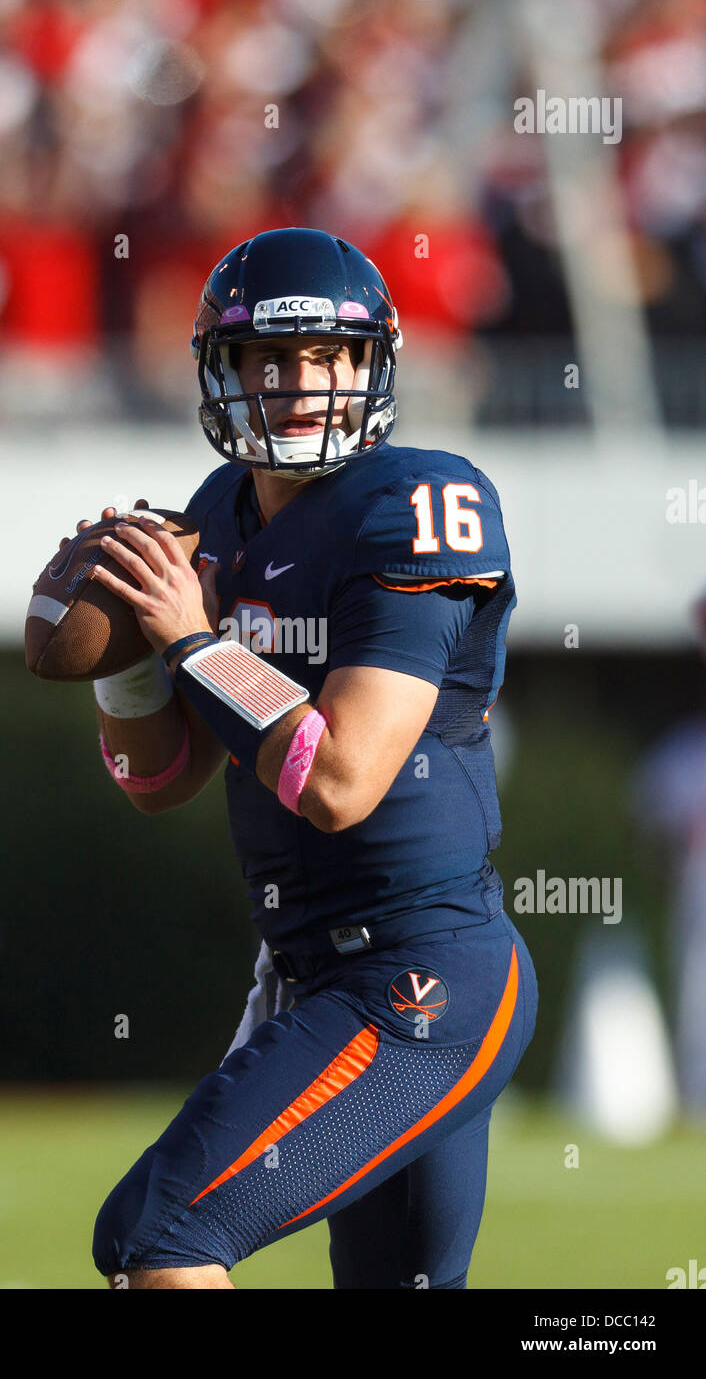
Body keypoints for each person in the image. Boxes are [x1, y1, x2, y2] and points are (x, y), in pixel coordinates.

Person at [82, 228, 537, 1289]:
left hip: (421, 972)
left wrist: (195, 642)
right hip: (305, 968)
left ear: (369, 365)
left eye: (327, 357)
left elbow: (337, 784)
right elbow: (159, 780)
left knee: (159, 1235)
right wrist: (126, 662)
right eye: (269, 360)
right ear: (224, 371)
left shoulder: (415, 505)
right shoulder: (215, 517)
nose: (300, 384)